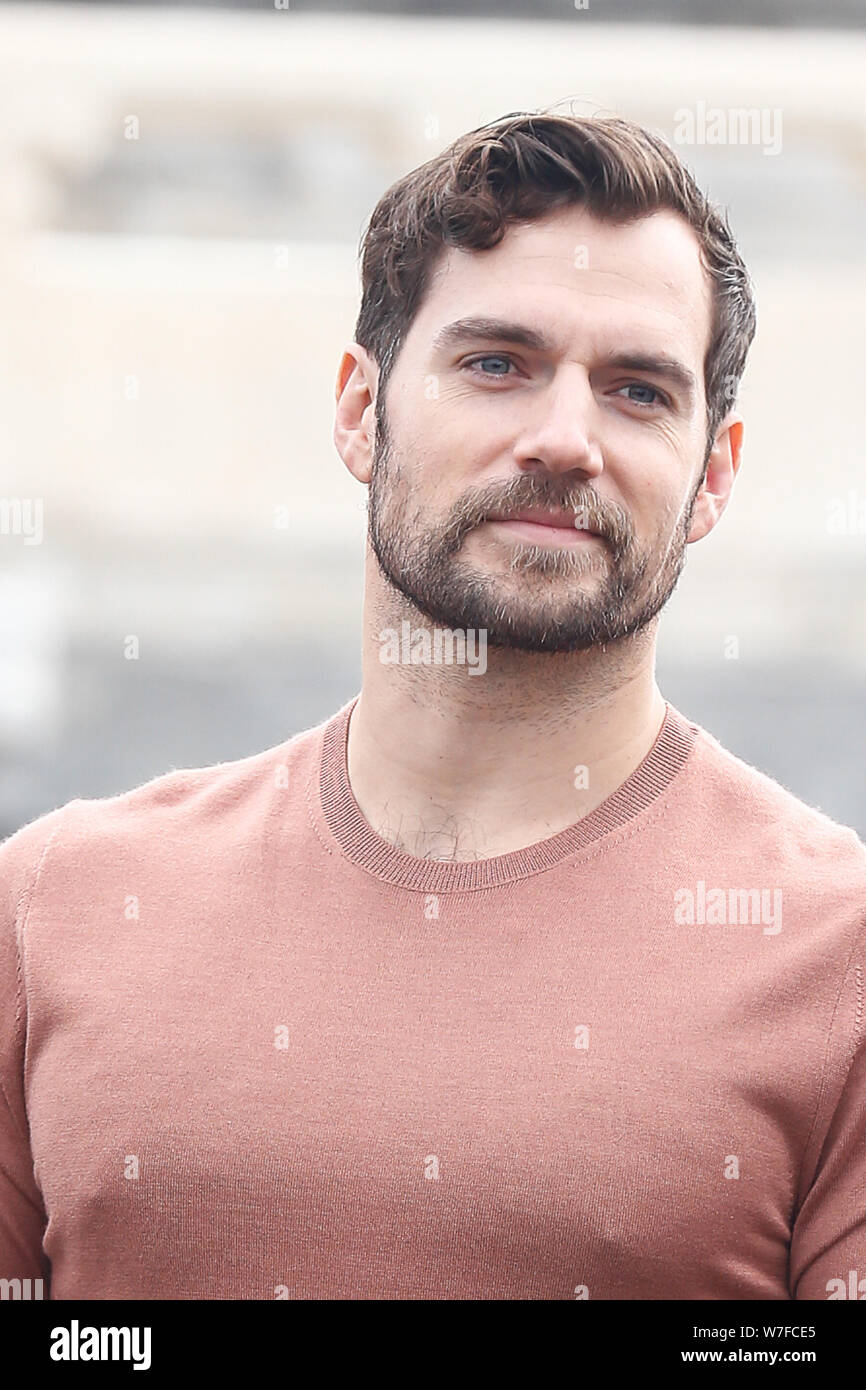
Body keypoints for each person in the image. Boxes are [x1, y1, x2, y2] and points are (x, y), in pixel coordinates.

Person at [1, 111, 864, 1302]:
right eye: (496, 363)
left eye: (635, 390)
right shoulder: (55, 913)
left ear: (711, 474)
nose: (563, 441)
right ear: (361, 409)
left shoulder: (835, 960)